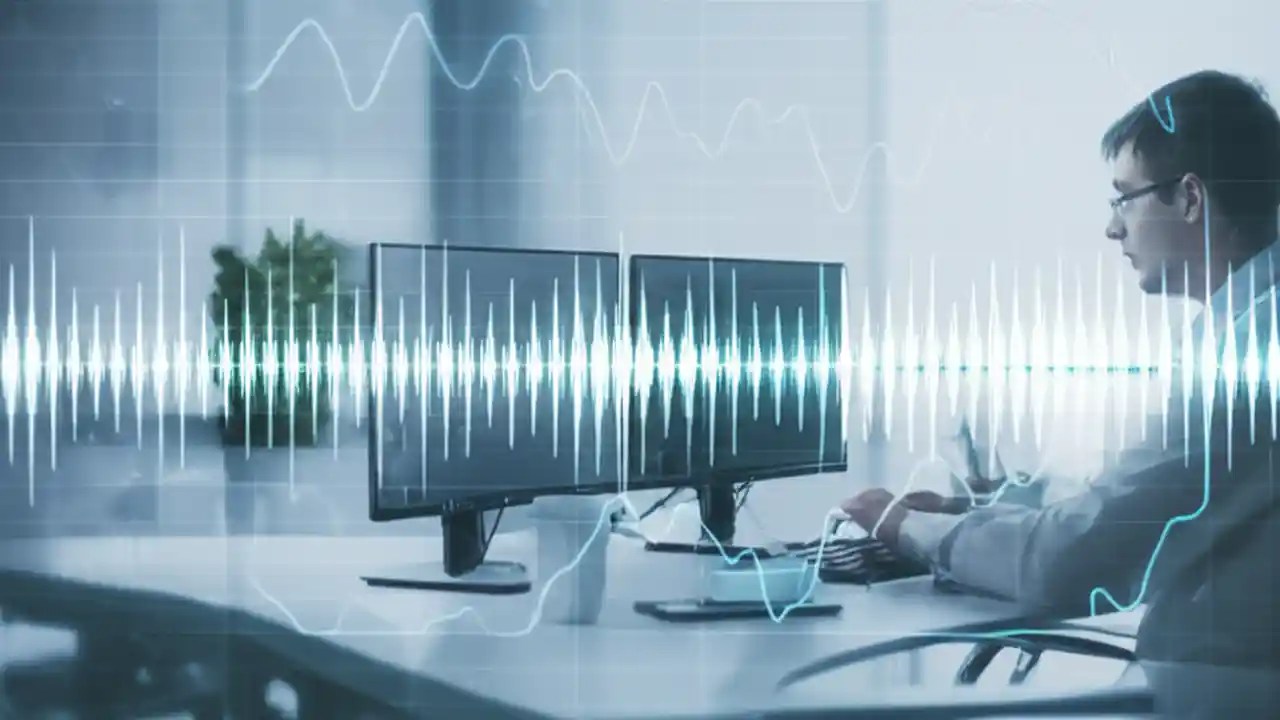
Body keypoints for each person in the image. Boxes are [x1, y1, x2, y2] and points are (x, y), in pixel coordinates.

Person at [841, 69, 1280, 671]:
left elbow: (1077, 557)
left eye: (1124, 197)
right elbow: (1121, 498)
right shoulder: (1247, 327)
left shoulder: (1248, 364)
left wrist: (903, 527)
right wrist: (971, 515)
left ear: (1190, 198)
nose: (1112, 227)